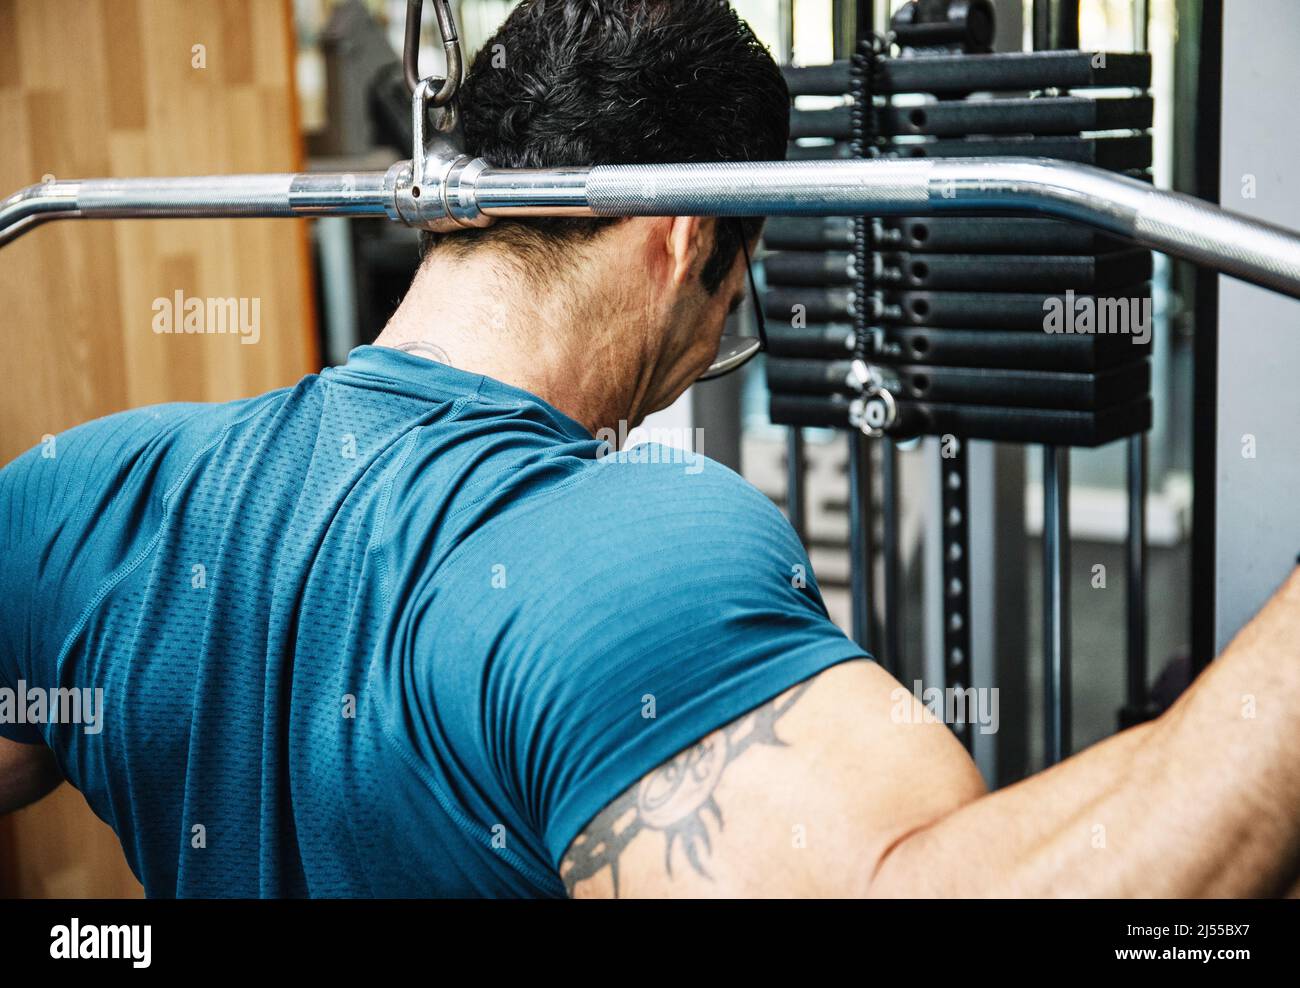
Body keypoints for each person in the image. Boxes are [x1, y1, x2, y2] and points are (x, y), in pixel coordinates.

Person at [2, 0, 1298, 899]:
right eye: (738, 285)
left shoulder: (89, 490)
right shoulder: (622, 551)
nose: (719, 335)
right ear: (684, 244)